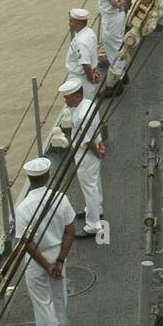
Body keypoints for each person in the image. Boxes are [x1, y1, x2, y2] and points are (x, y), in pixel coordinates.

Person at [13, 157, 76, 326]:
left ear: (29, 179)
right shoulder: (61, 199)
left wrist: (46, 265)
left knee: (41, 303)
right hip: (59, 251)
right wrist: (58, 261)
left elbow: (27, 243)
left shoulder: (23, 208)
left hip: (37, 258)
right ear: (48, 176)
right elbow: (70, 231)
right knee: (59, 296)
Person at [60, 78, 105, 239]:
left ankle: (93, 225)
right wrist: (101, 145)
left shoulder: (81, 115)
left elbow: (87, 140)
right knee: (95, 182)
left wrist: (97, 150)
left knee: (89, 187)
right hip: (94, 148)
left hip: (86, 154)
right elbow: (97, 128)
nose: (66, 101)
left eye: (67, 98)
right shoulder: (88, 104)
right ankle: (96, 208)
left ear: (77, 95)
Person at [92, 0, 133, 91]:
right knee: (118, 45)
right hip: (119, 16)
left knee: (113, 51)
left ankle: (115, 85)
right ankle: (124, 75)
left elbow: (112, 2)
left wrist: (118, 2)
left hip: (111, 17)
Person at [65, 8, 100, 100]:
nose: (69, 24)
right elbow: (92, 56)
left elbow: (85, 64)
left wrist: (91, 78)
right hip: (87, 75)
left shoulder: (81, 42)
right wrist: (94, 71)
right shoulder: (89, 32)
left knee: (81, 107)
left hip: (80, 79)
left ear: (79, 23)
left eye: (71, 21)